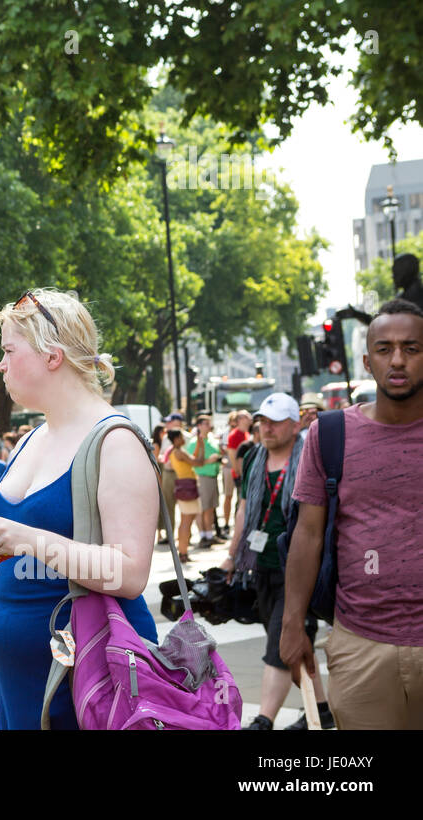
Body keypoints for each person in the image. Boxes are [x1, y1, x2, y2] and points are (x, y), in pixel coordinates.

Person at [0, 289, 159, 730]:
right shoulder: (33, 436)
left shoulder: (116, 441)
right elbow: (20, 571)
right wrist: (0, 664)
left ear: (51, 357)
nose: (0, 365)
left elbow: (129, 575)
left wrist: (29, 539)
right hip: (23, 682)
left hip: (87, 685)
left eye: (8, 351)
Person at [282, 298, 423, 729]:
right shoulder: (330, 433)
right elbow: (307, 534)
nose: (397, 360)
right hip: (359, 645)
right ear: (366, 360)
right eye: (384, 349)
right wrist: (291, 626)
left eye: (412, 348)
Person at [221, 392, 331, 730]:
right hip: (261, 565)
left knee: (280, 642)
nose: (267, 429)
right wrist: (231, 556)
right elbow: (244, 508)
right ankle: (322, 710)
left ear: (295, 424)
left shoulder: (310, 456)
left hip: (298, 566)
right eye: (262, 422)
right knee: (294, 642)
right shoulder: (254, 457)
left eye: (275, 422)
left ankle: (263, 720)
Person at [185, 412, 227, 547]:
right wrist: (210, 460)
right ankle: (203, 536)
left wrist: (220, 459)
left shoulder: (212, 440)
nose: (210, 426)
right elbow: (192, 461)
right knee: (202, 509)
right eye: (206, 423)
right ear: (199, 426)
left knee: (210, 508)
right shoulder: (194, 442)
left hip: (213, 476)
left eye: (210, 423)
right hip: (202, 477)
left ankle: (209, 535)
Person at [167, 430, 202, 564]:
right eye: (181, 437)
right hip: (187, 486)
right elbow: (197, 462)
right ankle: (183, 553)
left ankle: (183, 552)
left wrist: (199, 445)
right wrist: (202, 448)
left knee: (185, 521)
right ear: (176, 439)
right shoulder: (178, 452)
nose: (183, 439)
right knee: (186, 522)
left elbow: (192, 459)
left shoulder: (176, 452)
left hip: (184, 486)